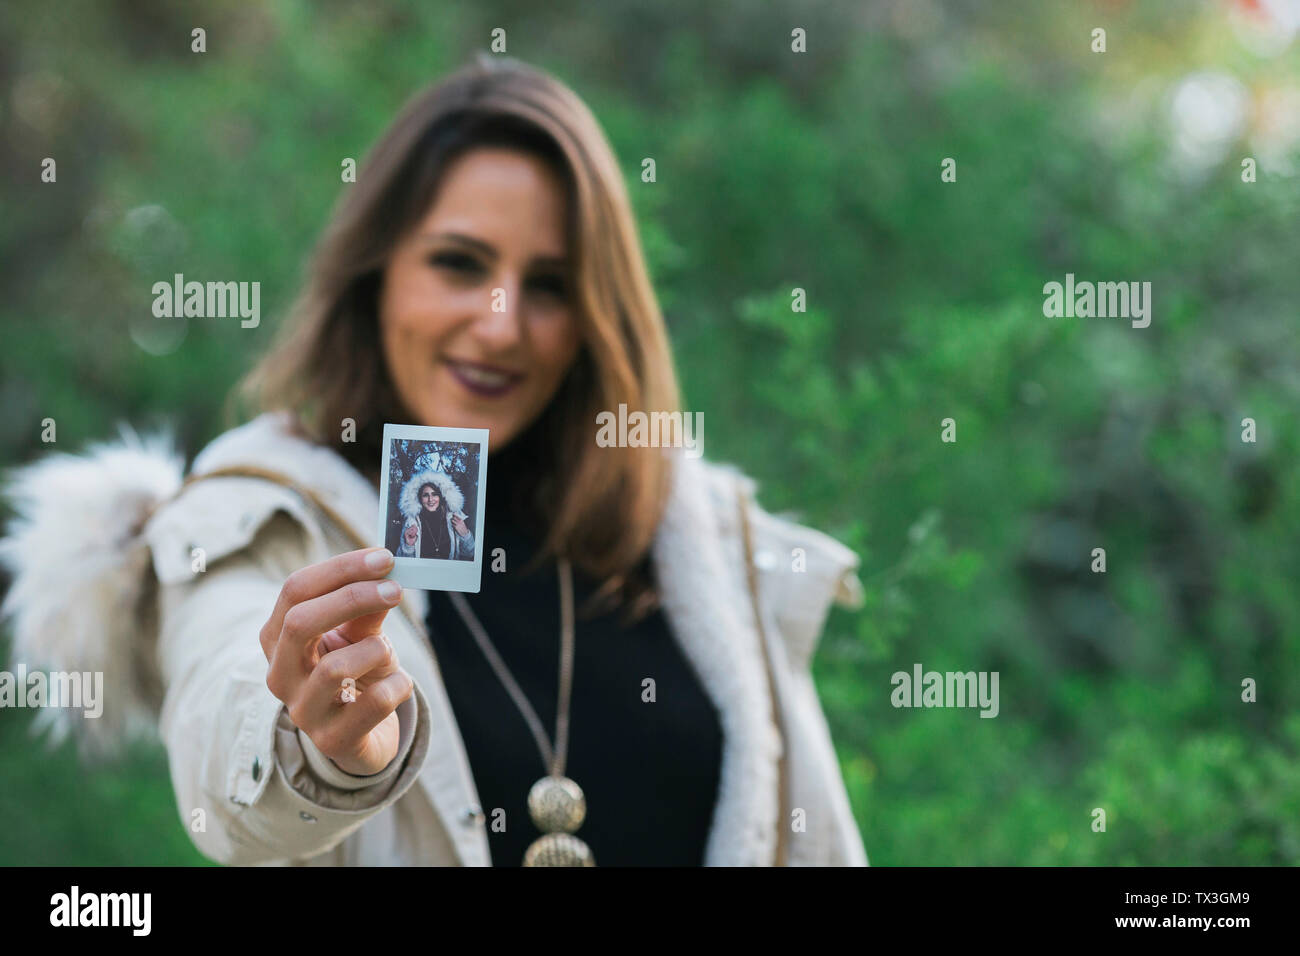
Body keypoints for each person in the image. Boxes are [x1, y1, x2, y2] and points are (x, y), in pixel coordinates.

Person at [0, 54, 867, 866]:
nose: (500, 323)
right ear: (375, 278)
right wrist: (316, 744)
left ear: (598, 317)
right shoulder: (259, 510)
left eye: (551, 285)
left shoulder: (696, 544)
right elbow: (222, 738)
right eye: (460, 264)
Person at [391, 472, 474, 561]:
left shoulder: (454, 519)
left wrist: (465, 534)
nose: (430, 499)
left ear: (441, 496)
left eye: (435, 494)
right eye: (425, 495)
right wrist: (408, 546)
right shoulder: (411, 523)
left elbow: (469, 554)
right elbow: (403, 560)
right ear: (420, 498)